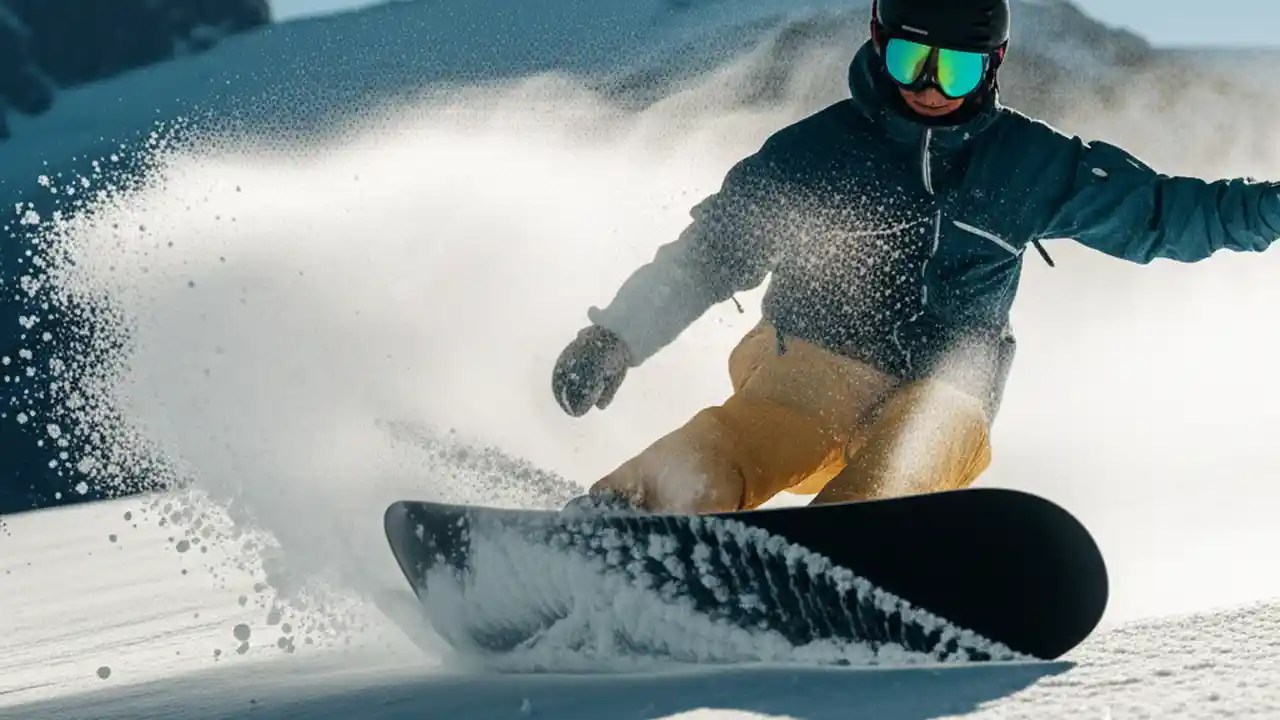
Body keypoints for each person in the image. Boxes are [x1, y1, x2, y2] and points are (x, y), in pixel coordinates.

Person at [552, 0, 1280, 513]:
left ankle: (848, 555)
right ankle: (636, 514)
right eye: (911, 60)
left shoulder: (1029, 165)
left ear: (992, 65)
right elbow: (711, 254)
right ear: (879, 44)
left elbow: (1163, 213)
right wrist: (616, 335)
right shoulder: (816, 154)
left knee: (918, 449)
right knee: (747, 438)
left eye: (954, 71)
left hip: (945, 388)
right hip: (813, 361)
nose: (929, 87)